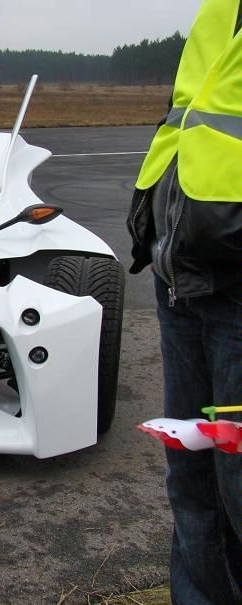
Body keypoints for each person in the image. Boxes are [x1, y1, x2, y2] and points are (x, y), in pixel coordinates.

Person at [126, 1, 242, 604]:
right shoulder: (218, 8)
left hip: (236, 284)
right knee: (192, 480)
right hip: (183, 270)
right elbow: (190, 122)